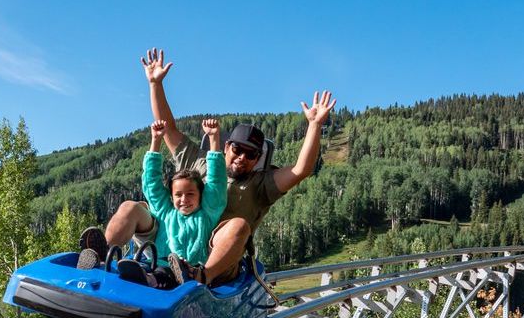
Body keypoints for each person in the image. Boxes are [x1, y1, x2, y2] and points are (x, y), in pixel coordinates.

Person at [79, 48, 334, 286]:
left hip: (211, 257)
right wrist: (155, 84)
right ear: (226, 147)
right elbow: (167, 128)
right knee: (130, 208)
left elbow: (301, 169)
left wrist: (314, 125)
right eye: (238, 149)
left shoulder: (261, 184)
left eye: (251, 154)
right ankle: (101, 261)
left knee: (239, 225)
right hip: (169, 237)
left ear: (258, 159)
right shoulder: (197, 161)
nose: (242, 158)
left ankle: (196, 277)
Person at [113, 118, 226, 288]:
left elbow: (216, 182)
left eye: (190, 194)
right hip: (158, 264)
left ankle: (148, 279)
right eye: (178, 195)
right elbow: (152, 184)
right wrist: (156, 140)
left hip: (190, 272)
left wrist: (214, 138)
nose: (184, 199)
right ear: (171, 198)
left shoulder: (207, 214)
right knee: (154, 270)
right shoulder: (166, 212)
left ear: (201, 195)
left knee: (163, 275)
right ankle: (105, 260)